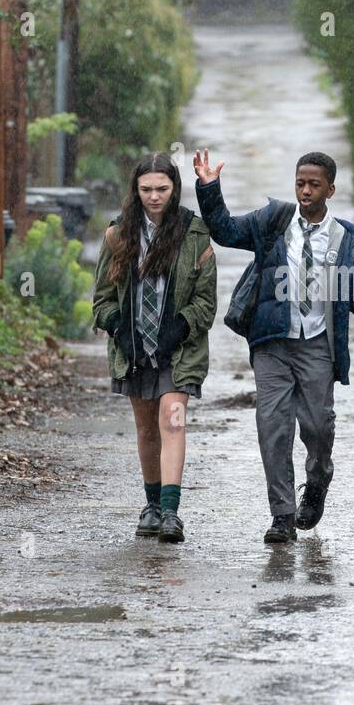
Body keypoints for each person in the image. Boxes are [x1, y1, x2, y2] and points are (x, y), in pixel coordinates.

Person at [193, 148, 354, 543]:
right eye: (300, 183)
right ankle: (282, 515)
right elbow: (226, 231)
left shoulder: (345, 238)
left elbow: (353, 293)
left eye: (314, 185)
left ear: (330, 189)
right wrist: (209, 188)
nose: (305, 191)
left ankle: (317, 482)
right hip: (271, 341)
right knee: (273, 427)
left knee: (318, 427)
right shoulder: (274, 220)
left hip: (317, 344)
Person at [92, 152, 217, 543]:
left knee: (172, 420)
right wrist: (119, 330)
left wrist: (179, 328)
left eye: (162, 189)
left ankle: (171, 513)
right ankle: (150, 505)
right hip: (134, 350)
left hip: (178, 350)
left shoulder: (194, 233)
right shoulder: (118, 235)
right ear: (136, 190)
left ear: (175, 189)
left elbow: (206, 301)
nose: (154, 197)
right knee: (147, 429)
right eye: (146, 189)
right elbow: (102, 299)